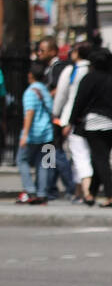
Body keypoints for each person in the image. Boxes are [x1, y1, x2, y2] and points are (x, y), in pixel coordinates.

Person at [69, 48, 112, 208]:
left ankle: (111, 195)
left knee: (100, 159)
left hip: (94, 123)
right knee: (99, 158)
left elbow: (79, 101)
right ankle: (90, 193)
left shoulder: (89, 79)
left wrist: (72, 121)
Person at [35, 36, 77, 198]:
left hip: (56, 116)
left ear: (53, 51)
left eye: (42, 50)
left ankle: (71, 187)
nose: (39, 53)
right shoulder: (50, 68)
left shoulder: (58, 67)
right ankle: (49, 187)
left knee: (55, 151)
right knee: (50, 151)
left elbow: (61, 90)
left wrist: (43, 95)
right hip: (51, 116)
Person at [53, 42, 94, 204]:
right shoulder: (92, 70)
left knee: (78, 155)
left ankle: (85, 190)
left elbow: (61, 95)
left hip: (72, 118)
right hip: (91, 117)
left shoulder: (71, 71)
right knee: (83, 154)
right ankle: (78, 191)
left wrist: (56, 113)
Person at [15, 60, 55, 205]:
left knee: (21, 160)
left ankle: (30, 190)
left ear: (30, 75)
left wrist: (25, 135)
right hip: (47, 134)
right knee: (43, 163)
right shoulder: (45, 91)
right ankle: (42, 193)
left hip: (33, 134)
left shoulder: (30, 92)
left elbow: (29, 113)